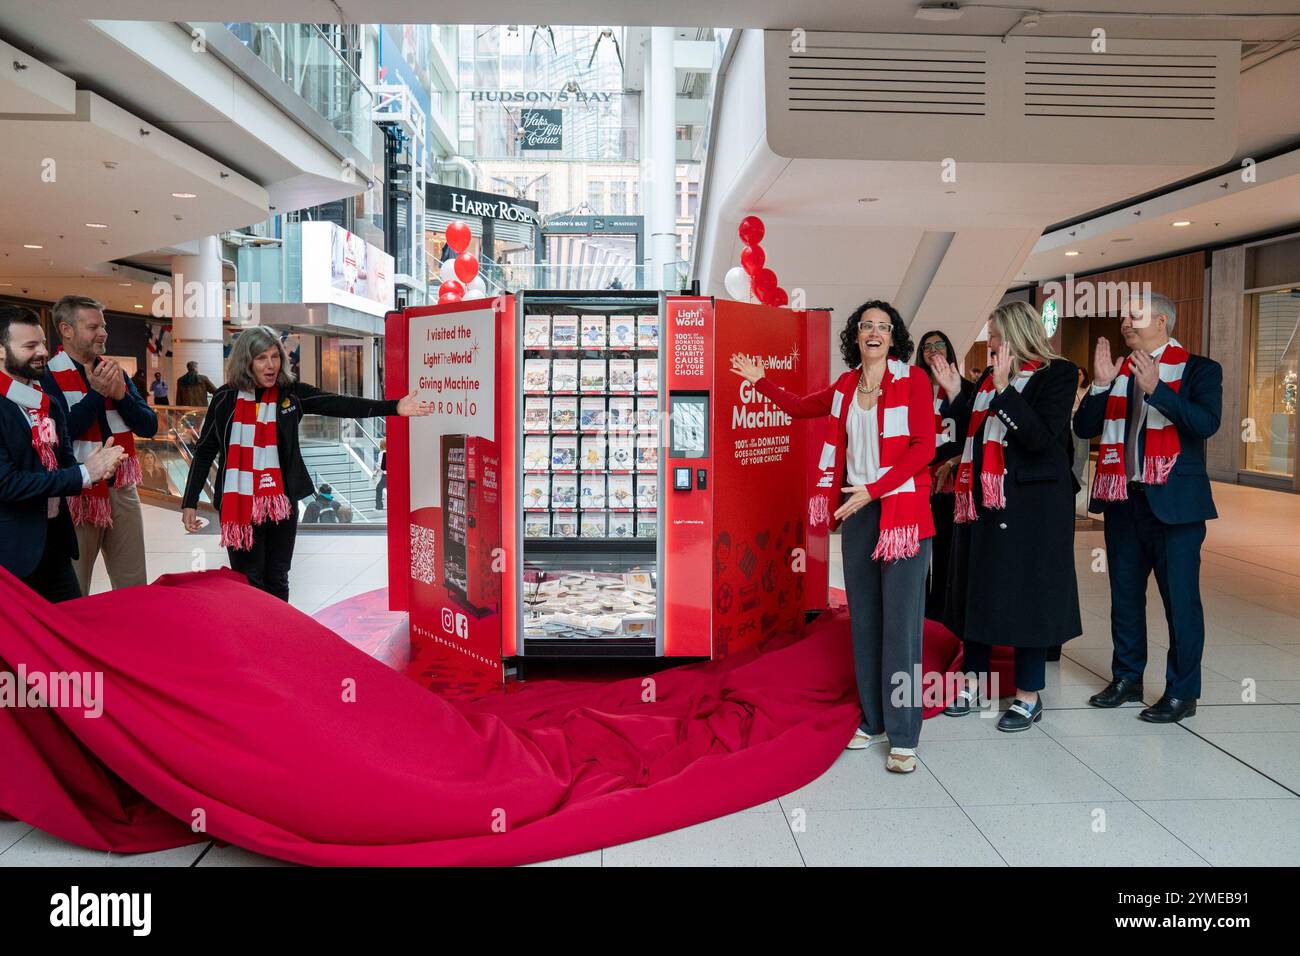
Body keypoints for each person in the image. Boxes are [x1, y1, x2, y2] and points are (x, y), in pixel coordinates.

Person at [730, 299, 936, 773]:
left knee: (901, 628)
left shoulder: (913, 381)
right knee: (865, 622)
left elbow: (924, 447)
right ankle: (874, 719)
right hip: (859, 513)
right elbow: (800, 408)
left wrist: (874, 489)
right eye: (866, 325)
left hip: (901, 514)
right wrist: (758, 380)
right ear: (856, 336)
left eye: (884, 326)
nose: (875, 332)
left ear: (894, 337)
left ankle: (904, 735)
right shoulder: (846, 386)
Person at [180, 326, 432, 601]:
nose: (271, 365)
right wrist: (190, 501)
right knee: (248, 580)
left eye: (275, 356)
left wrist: (393, 407)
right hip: (239, 504)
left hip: (282, 501)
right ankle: (254, 638)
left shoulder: (291, 394)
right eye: (262, 358)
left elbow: (338, 404)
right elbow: (205, 450)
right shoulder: (224, 398)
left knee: (277, 576)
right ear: (246, 361)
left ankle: (280, 635)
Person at [930, 301, 1081, 731]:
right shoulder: (988, 375)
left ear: (1016, 334)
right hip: (983, 499)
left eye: (995, 334)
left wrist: (1003, 390)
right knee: (978, 587)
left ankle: (1028, 694)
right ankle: (974, 681)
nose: (990, 342)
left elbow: (1040, 439)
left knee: (1027, 594)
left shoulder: (1058, 373)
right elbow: (971, 428)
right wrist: (958, 392)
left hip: (1032, 508)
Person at [1073, 292, 1222, 723]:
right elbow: (1084, 428)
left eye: (1134, 316)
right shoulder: (1118, 371)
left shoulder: (1200, 369)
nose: (1125, 323)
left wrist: (1157, 389)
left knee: (1180, 602)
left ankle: (1182, 692)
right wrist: (1100, 387)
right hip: (1124, 502)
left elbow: (1205, 424)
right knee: (1124, 597)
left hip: (1175, 508)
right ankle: (1127, 678)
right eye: (1123, 316)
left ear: (1161, 321)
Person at [0, 306, 124, 602]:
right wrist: (84, 473)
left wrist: (98, 469)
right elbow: (7, 484)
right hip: (12, 554)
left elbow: (66, 467)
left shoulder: (48, 404)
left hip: (54, 544)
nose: (42, 351)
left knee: (68, 630)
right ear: (1, 352)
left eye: (42, 342)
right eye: (29, 346)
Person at [42, 295, 158, 595]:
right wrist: (97, 394)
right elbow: (60, 432)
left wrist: (121, 396)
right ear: (66, 330)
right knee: (75, 587)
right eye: (93, 327)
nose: (103, 333)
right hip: (78, 493)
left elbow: (148, 426)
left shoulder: (113, 371)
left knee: (133, 583)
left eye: (103, 325)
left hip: (122, 488)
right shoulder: (47, 376)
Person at [915, 329, 974, 621]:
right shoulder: (912, 385)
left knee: (945, 547)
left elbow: (973, 433)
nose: (933, 350)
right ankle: (918, 612)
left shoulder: (966, 388)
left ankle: (943, 613)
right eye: (927, 346)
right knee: (916, 550)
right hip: (916, 478)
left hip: (949, 479)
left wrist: (953, 461)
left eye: (939, 344)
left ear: (949, 349)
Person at [374, 438, 387, 511]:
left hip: (385, 475)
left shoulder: (382, 453)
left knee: (378, 488)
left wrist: (376, 466)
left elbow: (381, 466)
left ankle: (379, 506)